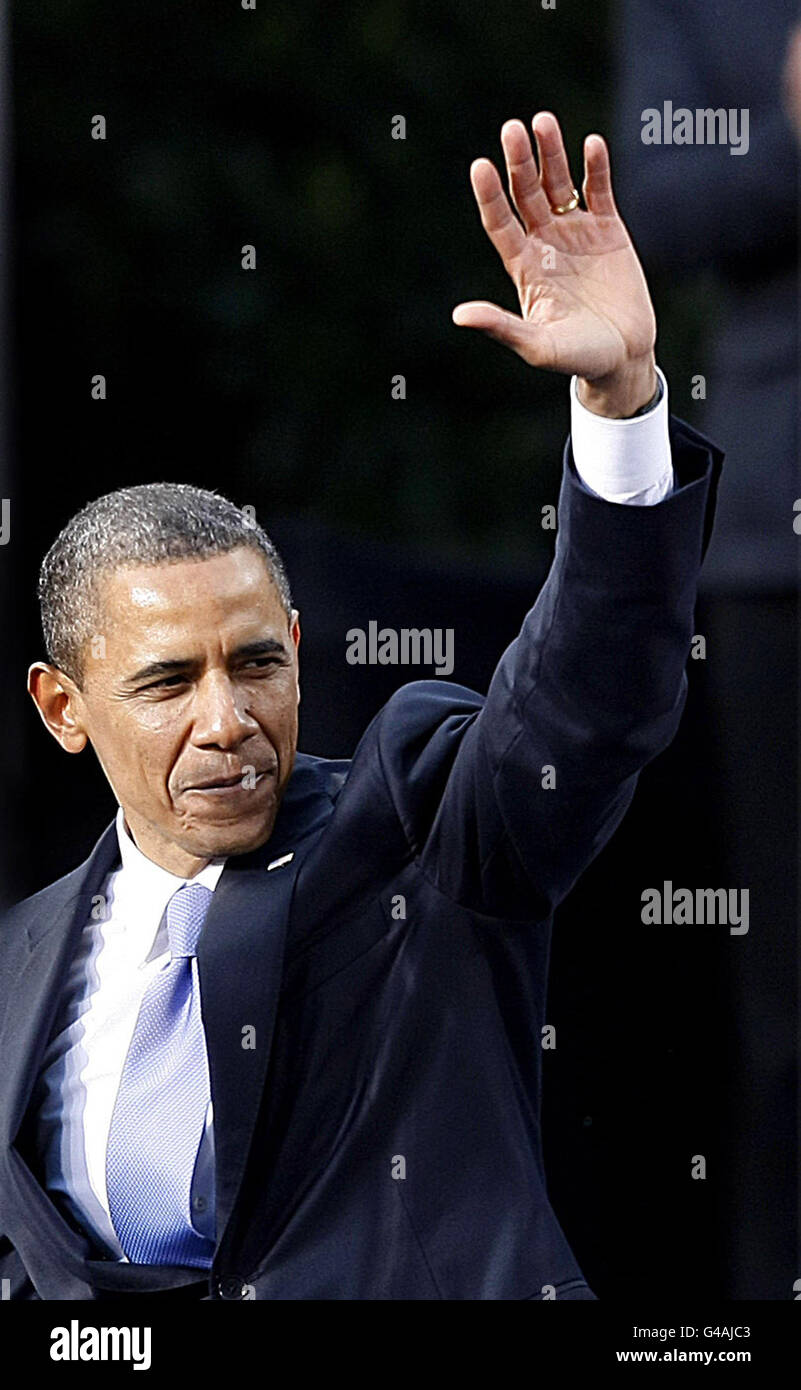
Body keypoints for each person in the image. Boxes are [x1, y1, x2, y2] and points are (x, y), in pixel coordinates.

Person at [0, 112, 721, 1300]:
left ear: (297, 648)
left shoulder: (421, 830)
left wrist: (622, 399)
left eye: (256, 664)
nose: (227, 718)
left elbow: (584, 703)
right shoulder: (24, 959)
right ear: (62, 707)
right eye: (169, 683)